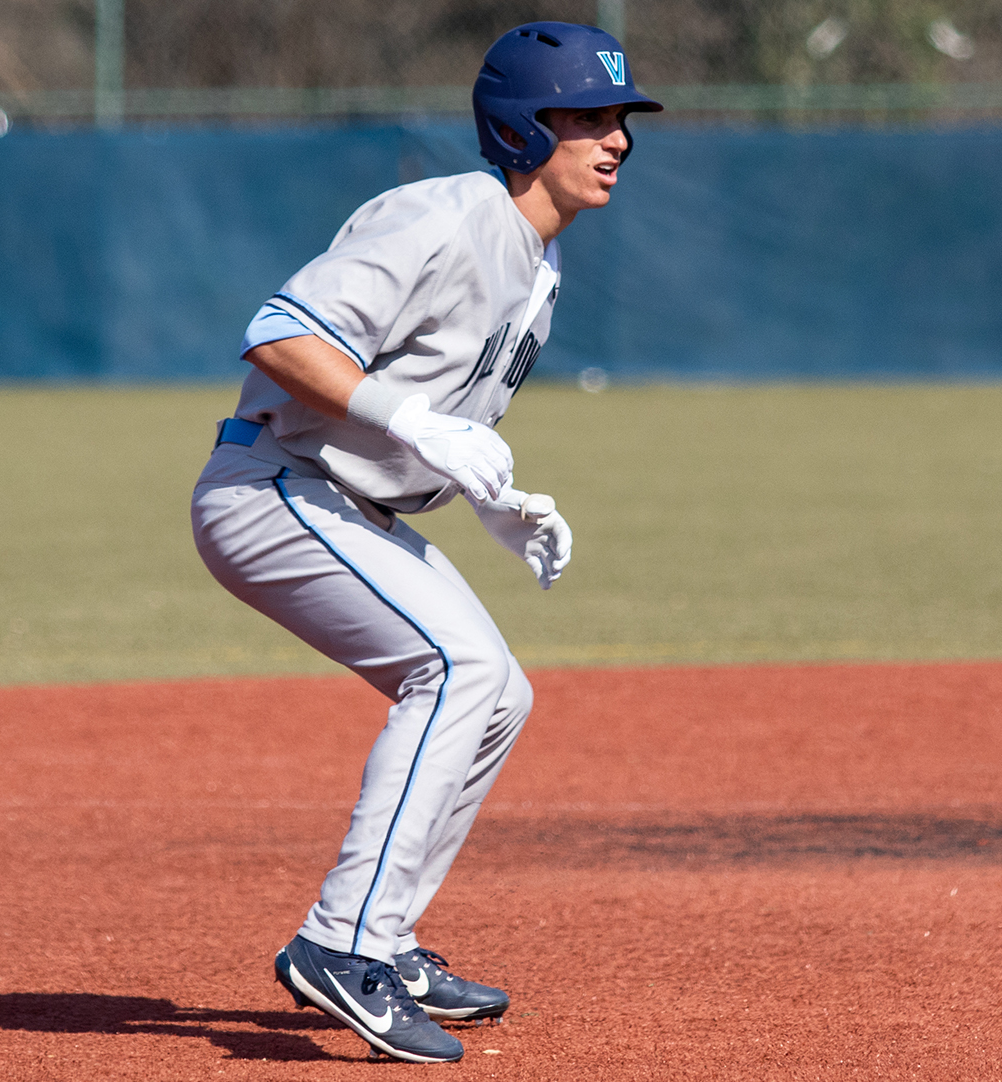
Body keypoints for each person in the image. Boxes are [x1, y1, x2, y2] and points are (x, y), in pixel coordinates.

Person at [189, 22, 660, 1064]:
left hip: (349, 499)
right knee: (457, 669)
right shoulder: (445, 215)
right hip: (272, 485)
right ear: (522, 127)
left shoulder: (538, 265)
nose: (617, 138)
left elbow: (436, 421)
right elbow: (278, 333)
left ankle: (386, 940)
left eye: (621, 118)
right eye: (587, 117)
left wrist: (493, 499)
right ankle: (340, 943)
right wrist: (412, 421)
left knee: (501, 692)